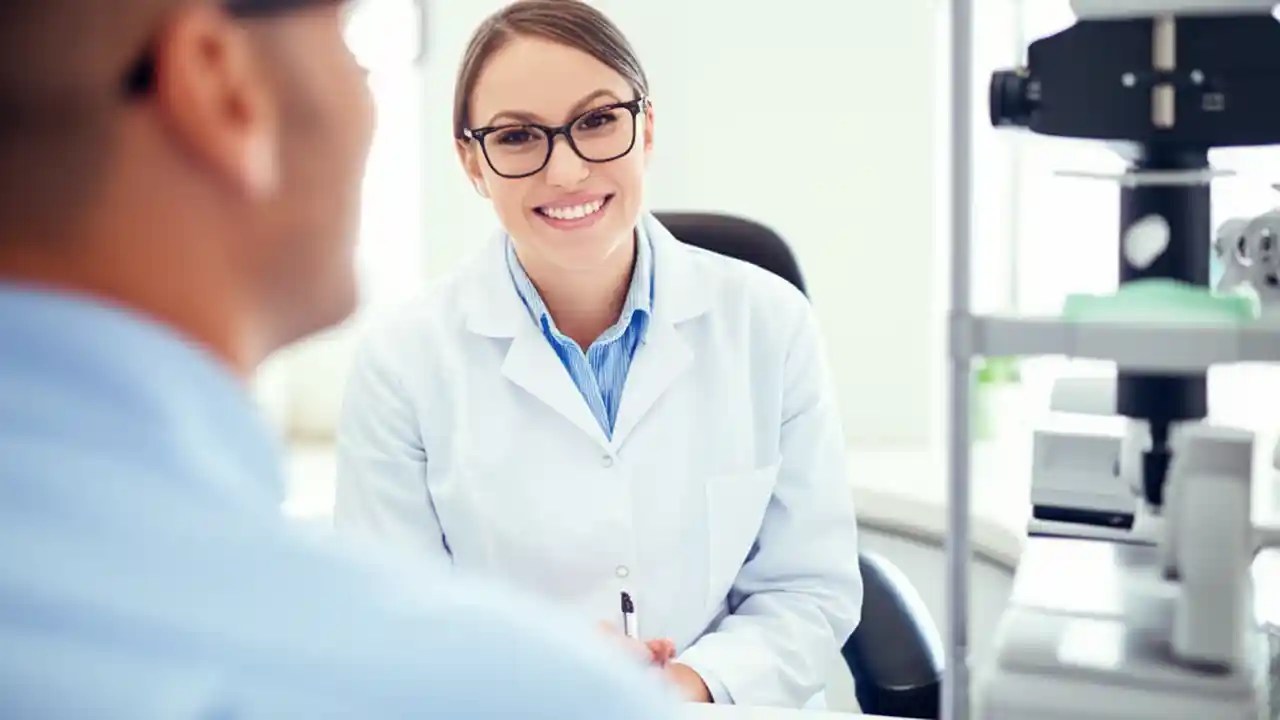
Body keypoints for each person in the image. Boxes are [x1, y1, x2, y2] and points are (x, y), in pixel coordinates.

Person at [0, 0, 675, 716]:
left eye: (598, 121)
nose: (565, 167)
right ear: (221, 84)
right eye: (350, 43)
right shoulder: (525, 695)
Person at [334, 0, 864, 708]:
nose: (566, 170)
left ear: (646, 128)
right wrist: (549, 672)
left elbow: (809, 587)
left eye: (596, 121)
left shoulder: (769, 325)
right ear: (471, 162)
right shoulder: (402, 362)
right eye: (519, 136)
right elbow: (391, 623)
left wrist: (682, 686)